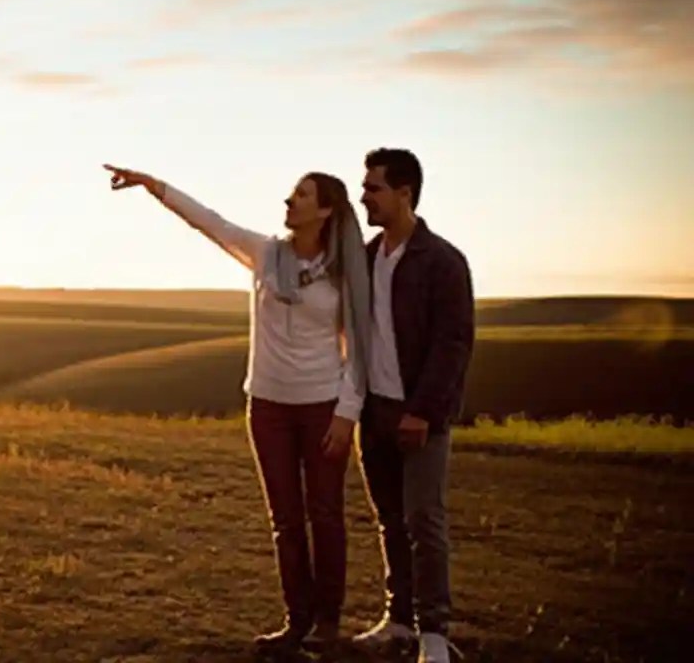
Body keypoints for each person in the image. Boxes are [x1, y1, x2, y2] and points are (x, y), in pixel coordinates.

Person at [103, 162, 371, 654]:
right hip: (268, 405)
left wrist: (346, 413)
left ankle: (327, 623)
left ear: (327, 210)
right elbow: (208, 221)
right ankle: (297, 620)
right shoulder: (266, 254)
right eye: (292, 193)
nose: (290, 201)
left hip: (321, 407)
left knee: (326, 514)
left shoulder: (342, 275)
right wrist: (153, 185)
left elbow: (358, 347)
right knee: (285, 519)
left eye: (302, 195)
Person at [349, 148, 475, 663]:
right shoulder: (363, 257)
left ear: (405, 193)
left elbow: (453, 344)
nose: (363, 196)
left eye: (373, 187)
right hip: (371, 411)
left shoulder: (442, 261)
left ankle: (435, 634)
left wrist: (422, 411)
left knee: (425, 521)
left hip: (419, 412)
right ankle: (398, 620)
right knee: (390, 521)